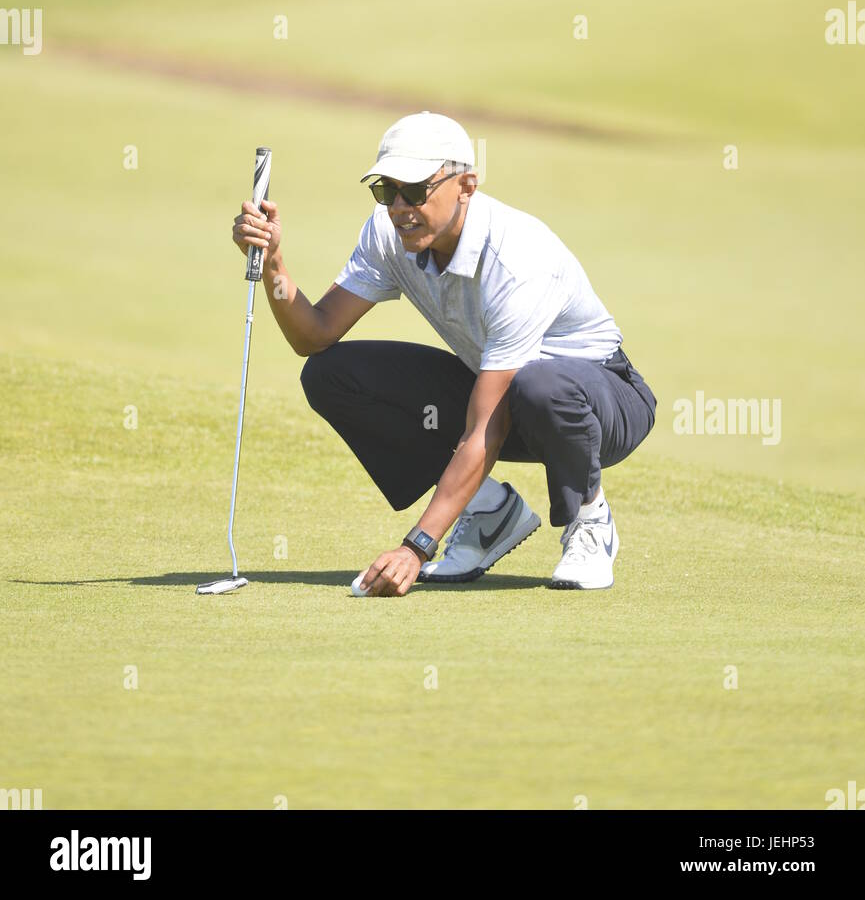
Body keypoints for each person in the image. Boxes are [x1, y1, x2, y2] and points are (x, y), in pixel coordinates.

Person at [231, 111, 656, 598]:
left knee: (540, 385)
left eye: (415, 191)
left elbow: (486, 427)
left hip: (602, 402)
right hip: (503, 392)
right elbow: (315, 335)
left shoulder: (518, 258)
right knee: (332, 374)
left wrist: (416, 546)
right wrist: (274, 262)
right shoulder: (389, 234)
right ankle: (490, 511)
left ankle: (589, 520)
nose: (400, 207)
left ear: (467, 186)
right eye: (386, 190)